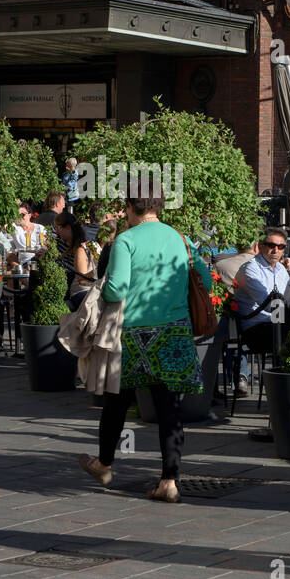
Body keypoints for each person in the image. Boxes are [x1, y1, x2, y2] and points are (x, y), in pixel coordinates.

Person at [77, 193, 210, 503]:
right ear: (159, 208)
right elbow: (205, 279)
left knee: (116, 402)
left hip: (133, 334)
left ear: (129, 209)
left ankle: (104, 464)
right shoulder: (180, 238)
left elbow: (117, 287)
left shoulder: (125, 240)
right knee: (169, 409)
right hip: (174, 333)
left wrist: (106, 285)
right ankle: (169, 481)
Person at [232, 229, 290, 354]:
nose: (276, 250)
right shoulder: (250, 269)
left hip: (277, 323)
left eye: (281, 246)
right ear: (260, 246)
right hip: (255, 328)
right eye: (271, 245)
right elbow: (269, 305)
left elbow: (289, 300)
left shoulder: (281, 269)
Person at [7, 201, 46, 270]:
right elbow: (1, 223)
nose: (20, 217)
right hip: (25, 264)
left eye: (23, 214)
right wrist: (16, 212)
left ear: (29, 215)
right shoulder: (15, 227)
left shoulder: (39, 227)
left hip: (40, 261)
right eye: (18, 215)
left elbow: (45, 243)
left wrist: (43, 248)